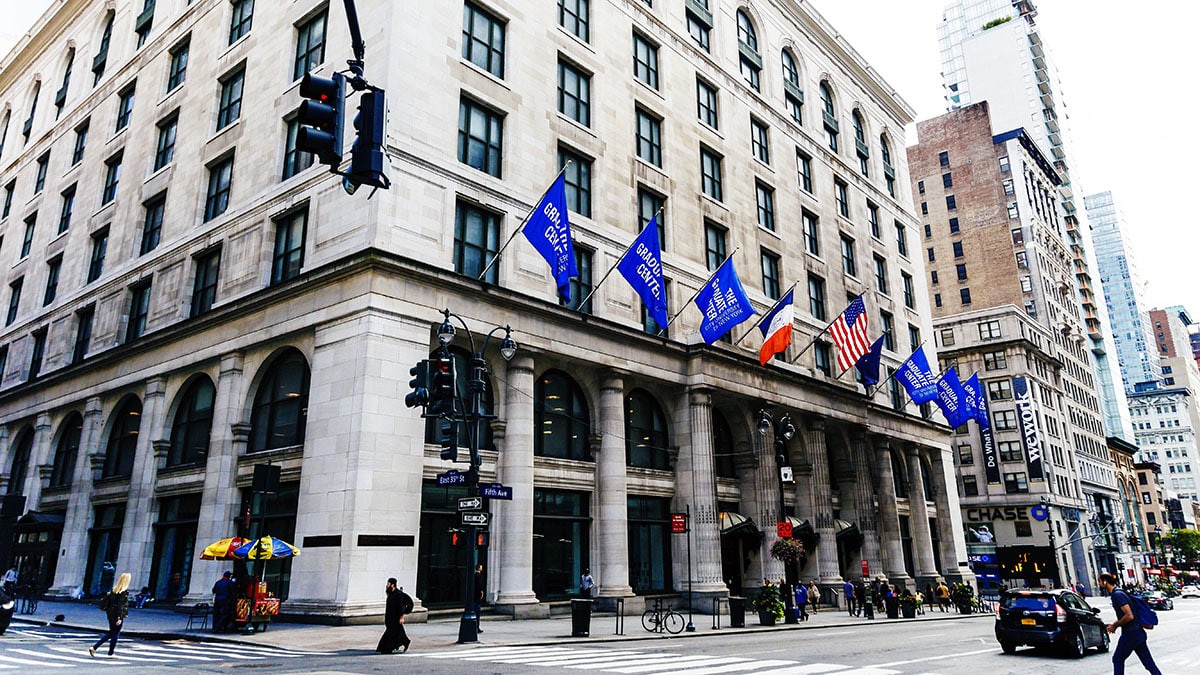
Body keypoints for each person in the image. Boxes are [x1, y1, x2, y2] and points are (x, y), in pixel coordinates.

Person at [1097, 574, 1161, 675]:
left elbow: (1129, 615)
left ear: (1105, 581)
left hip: (1131, 633)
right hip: (1138, 632)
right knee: (1148, 663)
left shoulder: (1117, 595)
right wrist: (1115, 624)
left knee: (1117, 659)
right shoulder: (1120, 592)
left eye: (1099, 581)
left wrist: (1115, 625)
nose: (1099, 584)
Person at [90, 572, 130, 658]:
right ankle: (110, 653)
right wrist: (119, 617)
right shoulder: (123, 592)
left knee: (111, 633)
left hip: (110, 614)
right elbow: (120, 606)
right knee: (115, 633)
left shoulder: (114, 590)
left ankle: (95, 647)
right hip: (117, 615)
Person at [376, 578, 412, 654]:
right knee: (398, 632)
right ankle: (405, 641)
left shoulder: (397, 594)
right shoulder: (391, 593)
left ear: (393, 585)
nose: (386, 585)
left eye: (388, 584)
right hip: (390, 617)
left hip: (395, 617)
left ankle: (387, 648)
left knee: (390, 633)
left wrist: (401, 617)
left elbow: (401, 607)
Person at [473, 564, 485, 633]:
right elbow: (479, 586)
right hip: (477, 597)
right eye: (481, 567)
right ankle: (476, 627)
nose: (482, 568)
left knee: (476, 611)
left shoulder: (474, 576)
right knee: (477, 612)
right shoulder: (478, 576)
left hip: (474, 597)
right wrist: (481, 593)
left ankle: (476, 627)